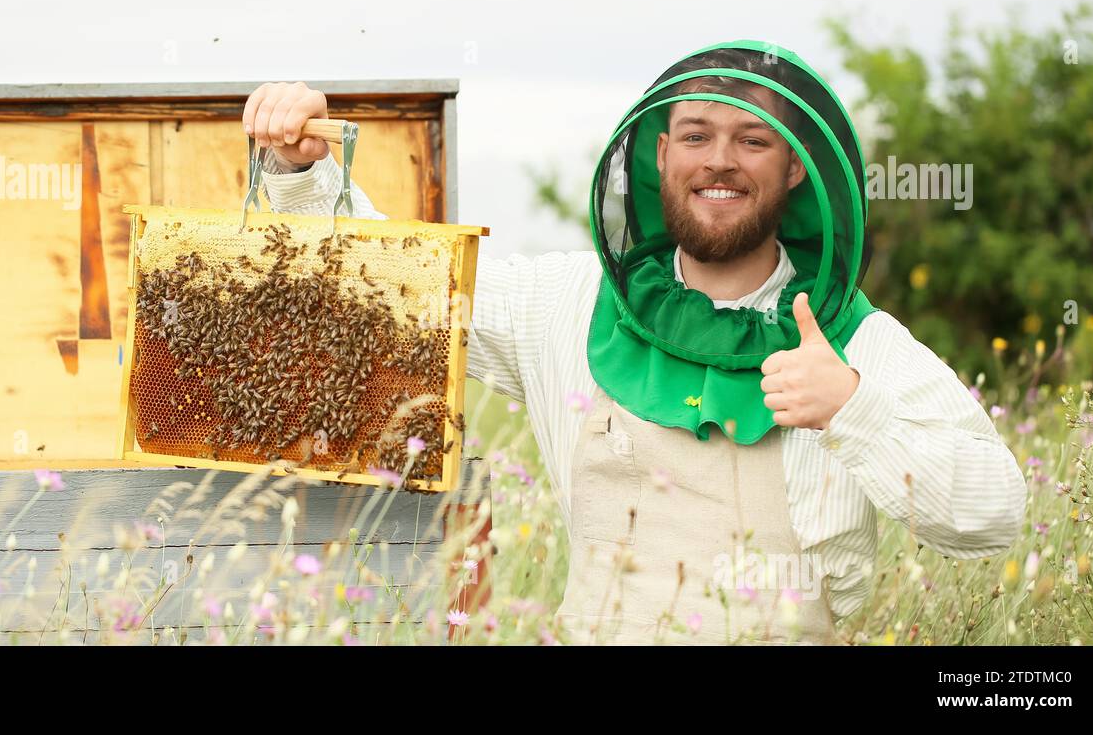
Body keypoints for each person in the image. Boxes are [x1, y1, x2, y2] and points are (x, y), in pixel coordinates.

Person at [239, 41, 1027, 645]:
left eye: (754, 141)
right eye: (696, 135)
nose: (719, 159)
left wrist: (854, 410)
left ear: (796, 169)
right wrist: (299, 169)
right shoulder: (568, 302)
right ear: (658, 155)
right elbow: (389, 284)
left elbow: (994, 514)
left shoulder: (862, 343)